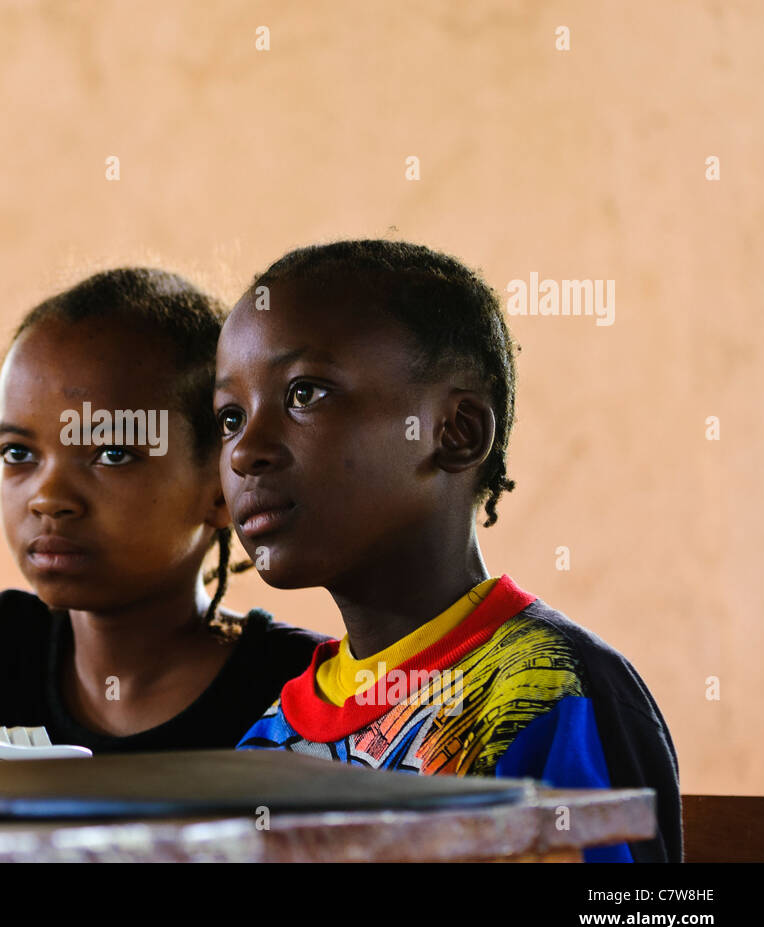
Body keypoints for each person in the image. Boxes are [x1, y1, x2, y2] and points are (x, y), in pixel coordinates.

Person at [216, 240, 680, 861]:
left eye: (305, 393)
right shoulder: (273, 736)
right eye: (229, 418)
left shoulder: (555, 692)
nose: (246, 451)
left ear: (457, 432)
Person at [0, 268, 326, 753]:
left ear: (220, 489)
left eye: (111, 454)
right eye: (18, 453)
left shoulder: (301, 700)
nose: (48, 499)